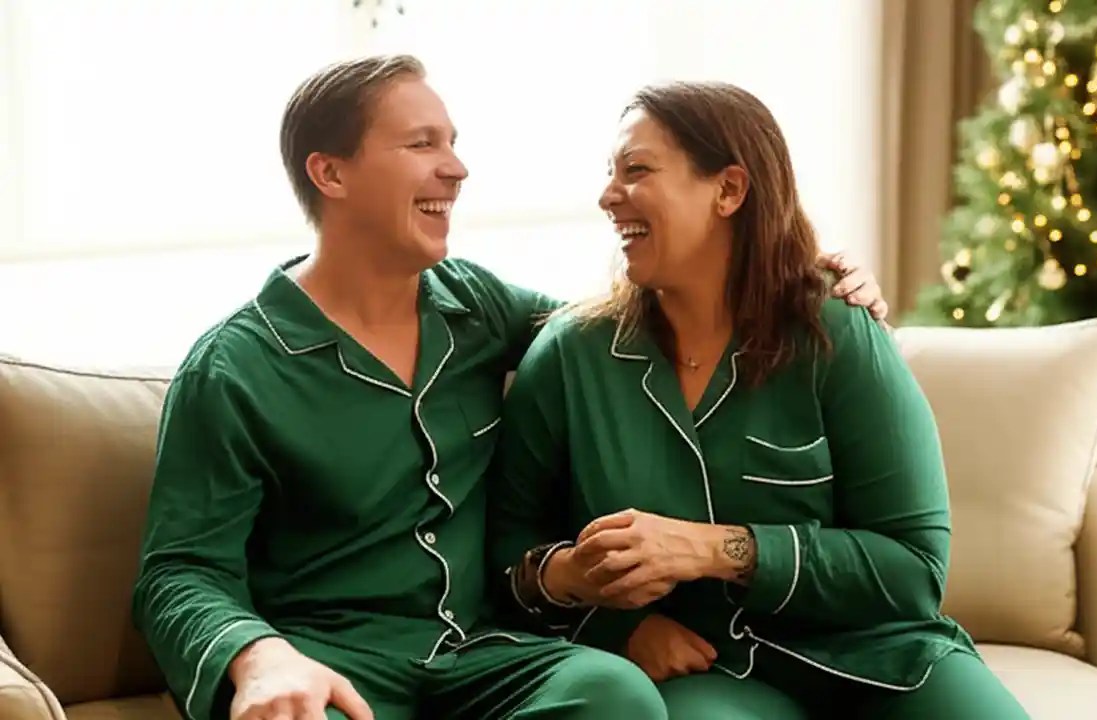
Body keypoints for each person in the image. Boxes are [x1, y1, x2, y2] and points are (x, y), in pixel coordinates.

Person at [130, 55, 889, 720]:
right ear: (330, 173)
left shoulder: (476, 306)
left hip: (483, 659)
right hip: (332, 663)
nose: (456, 168)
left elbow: (623, 333)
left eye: (453, 143)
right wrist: (257, 657)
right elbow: (180, 572)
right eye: (422, 144)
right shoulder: (233, 369)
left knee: (613, 693)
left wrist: (789, 274)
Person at [487, 80, 1031, 719]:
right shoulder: (572, 355)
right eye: (610, 174)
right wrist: (616, 632)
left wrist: (715, 547)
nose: (608, 196)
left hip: (886, 658)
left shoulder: (839, 332)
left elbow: (914, 571)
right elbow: (506, 559)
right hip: (706, 668)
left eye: (636, 170)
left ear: (729, 189)